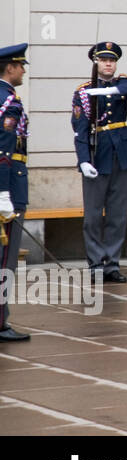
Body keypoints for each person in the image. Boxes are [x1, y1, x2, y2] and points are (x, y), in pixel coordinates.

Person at [73, 42, 127, 283]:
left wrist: (115, 91)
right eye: (104, 60)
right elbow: (80, 130)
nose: (109, 64)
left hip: (121, 153)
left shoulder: (122, 86)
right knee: (94, 215)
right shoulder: (84, 92)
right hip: (98, 153)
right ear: (96, 62)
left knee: (118, 213)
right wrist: (84, 160)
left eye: (112, 60)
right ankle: (96, 263)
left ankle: (112, 264)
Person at [0, 43, 31, 341]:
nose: (23, 70)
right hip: (9, 183)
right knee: (5, 259)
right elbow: (4, 152)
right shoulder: (9, 102)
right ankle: (0, 322)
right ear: (10, 67)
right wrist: (3, 193)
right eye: (21, 65)